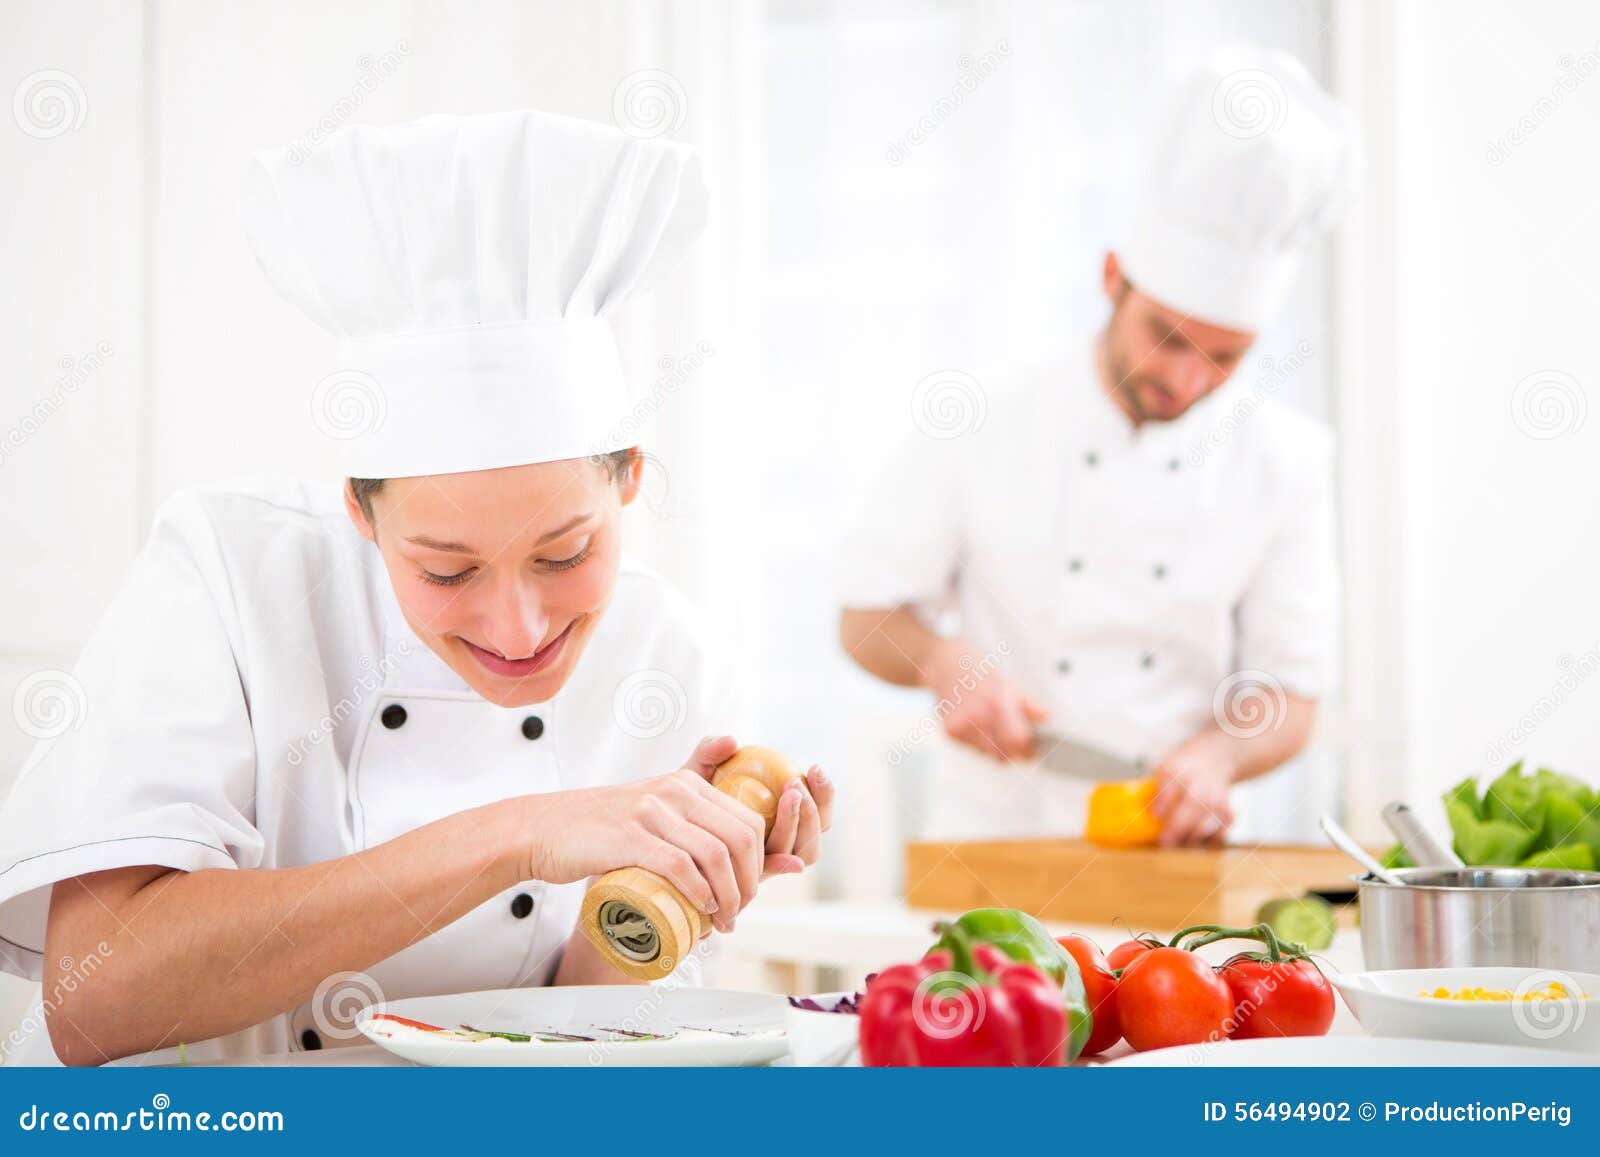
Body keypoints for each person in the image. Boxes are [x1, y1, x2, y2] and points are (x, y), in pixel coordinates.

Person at [0, 109, 832, 1066]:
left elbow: (569, 1040)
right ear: (362, 511)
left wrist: (655, 895)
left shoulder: (669, 653)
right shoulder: (231, 569)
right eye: (446, 569)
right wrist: (521, 835)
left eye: (564, 555)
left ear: (631, 477)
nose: (519, 626)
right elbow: (95, 996)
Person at [838, 45, 1353, 845]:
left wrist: (1220, 755)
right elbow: (866, 616)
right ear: (1113, 277)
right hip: (992, 846)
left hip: (1173, 857)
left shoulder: (1287, 461)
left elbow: (1290, 692)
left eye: (1223, 356)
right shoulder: (982, 419)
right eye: (1167, 337)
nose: (1185, 379)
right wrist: (945, 665)